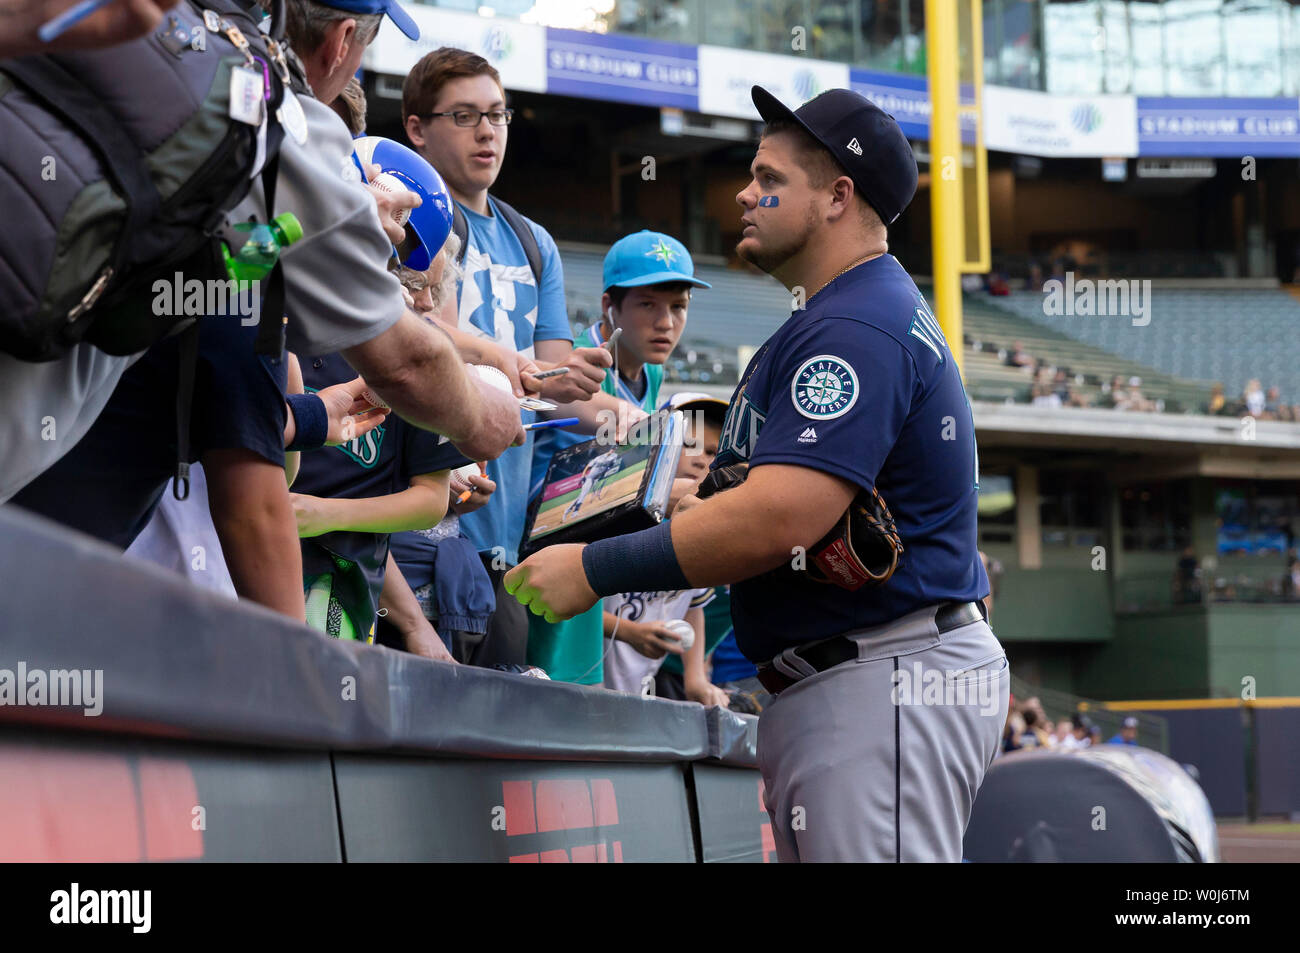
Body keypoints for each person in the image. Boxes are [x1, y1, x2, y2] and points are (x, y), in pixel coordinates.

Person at [505, 86, 1008, 862]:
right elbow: (739, 503)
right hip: (857, 675)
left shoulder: (856, 323)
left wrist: (592, 566)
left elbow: (780, 515)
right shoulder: (837, 314)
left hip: (883, 672)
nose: (744, 193)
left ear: (839, 195)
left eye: (769, 179)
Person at [4, 0, 525, 510]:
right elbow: (405, 362)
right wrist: (483, 416)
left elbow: (212, 274)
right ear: (342, 41)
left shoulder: (176, 42)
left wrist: (313, 414)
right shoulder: (274, 117)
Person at [402, 46, 615, 665]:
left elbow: (550, 379)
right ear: (417, 128)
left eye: (497, 114)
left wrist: (598, 397)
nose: (488, 130)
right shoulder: (404, 213)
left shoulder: (533, 238)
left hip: (503, 541)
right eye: (464, 116)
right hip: (423, 531)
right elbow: (413, 330)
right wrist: (504, 357)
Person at [522, 230, 710, 685]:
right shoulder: (577, 367)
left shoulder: (652, 368)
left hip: (590, 555)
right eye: (648, 305)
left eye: (678, 307)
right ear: (611, 306)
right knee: (545, 690)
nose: (666, 322)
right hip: (539, 546)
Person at [602, 394, 730, 707]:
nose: (701, 459)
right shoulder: (614, 511)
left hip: (636, 690)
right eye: (689, 443)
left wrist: (695, 677)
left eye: (713, 452)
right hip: (583, 683)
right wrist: (631, 632)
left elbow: (693, 604)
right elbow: (574, 597)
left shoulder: (700, 530)